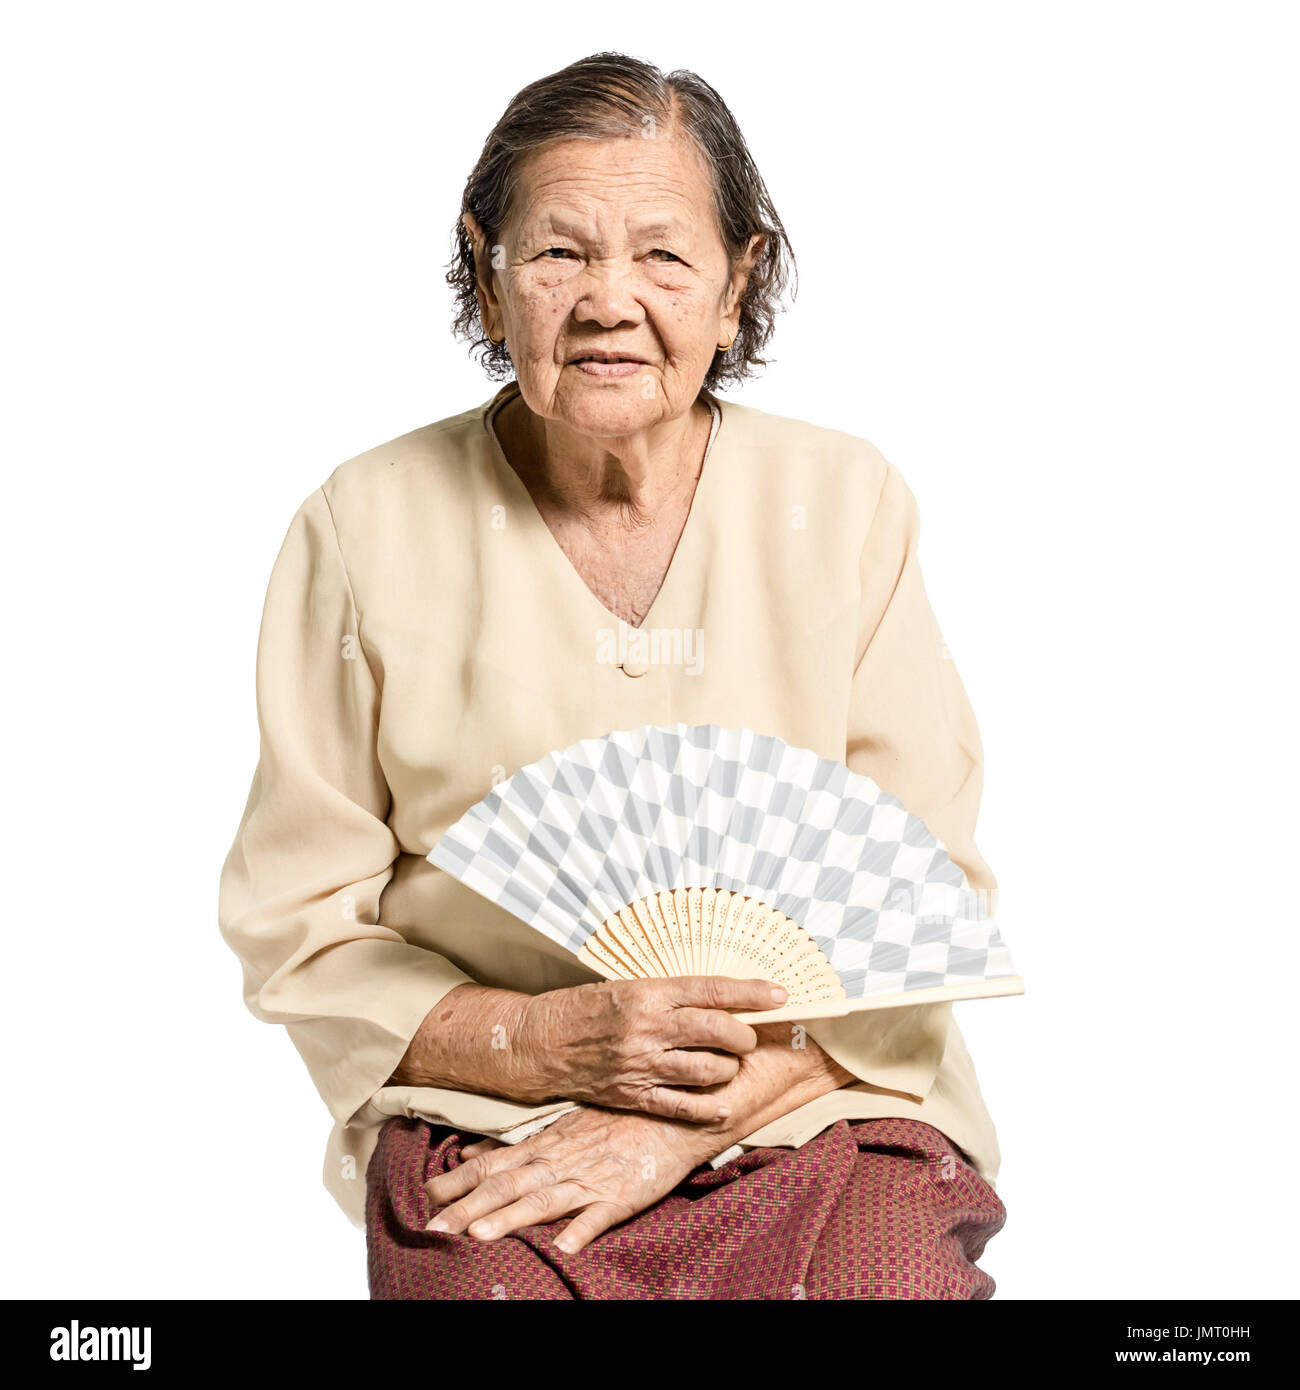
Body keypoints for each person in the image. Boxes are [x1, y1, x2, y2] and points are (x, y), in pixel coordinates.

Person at [219, 51, 1007, 1300]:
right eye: (557, 254)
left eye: (663, 254)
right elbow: (299, 925)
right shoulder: (362, 524)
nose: (608, 300)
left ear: (739, 282)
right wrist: (539, 1043)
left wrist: (681, 1119)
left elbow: (921, 902)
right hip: (491, 1102)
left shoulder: (843, 503)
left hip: (818, 1088)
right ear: (485, 272)